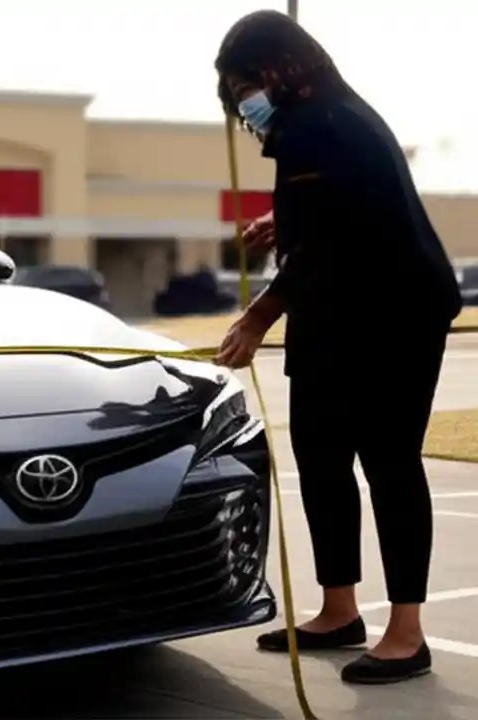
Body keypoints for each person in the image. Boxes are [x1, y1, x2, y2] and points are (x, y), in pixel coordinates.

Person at [212, 10, 461, 685]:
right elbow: (326, 216)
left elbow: (330, 243)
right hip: (337, 308)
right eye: (236, 98)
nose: (244, 107)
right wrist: (279, 220)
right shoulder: (308, 126)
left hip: (395, 309)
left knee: (387, 459)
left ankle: (406, 634)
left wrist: (259, 316)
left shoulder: (325, 125)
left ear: (279, 70)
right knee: (321, 454)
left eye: (243, 90)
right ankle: (338, 610)